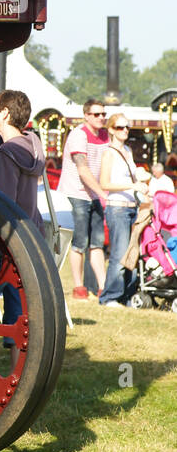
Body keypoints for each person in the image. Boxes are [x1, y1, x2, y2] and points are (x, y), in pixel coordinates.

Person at [0, 90, 46, 342]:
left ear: (6, 113)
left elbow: (3, 203)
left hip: (9, 239)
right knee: (17, 313)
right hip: (32, 234)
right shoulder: (33, 144)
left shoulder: (7, 153)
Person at [57, 99, 110, 300]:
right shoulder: (79, 135)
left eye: (103, 114)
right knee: (80, 242)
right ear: (86, 115)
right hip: (77, 193)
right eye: (96, 114)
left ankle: (102, 286)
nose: (101, 117)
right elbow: (83, 170)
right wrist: (104, 193)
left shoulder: (105, 136)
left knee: (97, 243)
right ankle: (79, 287)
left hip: (94, 194)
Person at [98, 114, 146, 308]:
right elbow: (104, 183)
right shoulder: (109, 153)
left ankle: (126, 294)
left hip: (131, 207)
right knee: (118, 254)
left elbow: (133, 179)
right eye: (120, 127)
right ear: (111, 130)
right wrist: (132, 185)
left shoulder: (127, 150)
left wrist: (141, 181)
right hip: (117, 207)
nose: (125, 130)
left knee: (131, 253)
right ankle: (110, 296)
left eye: (127, 127)